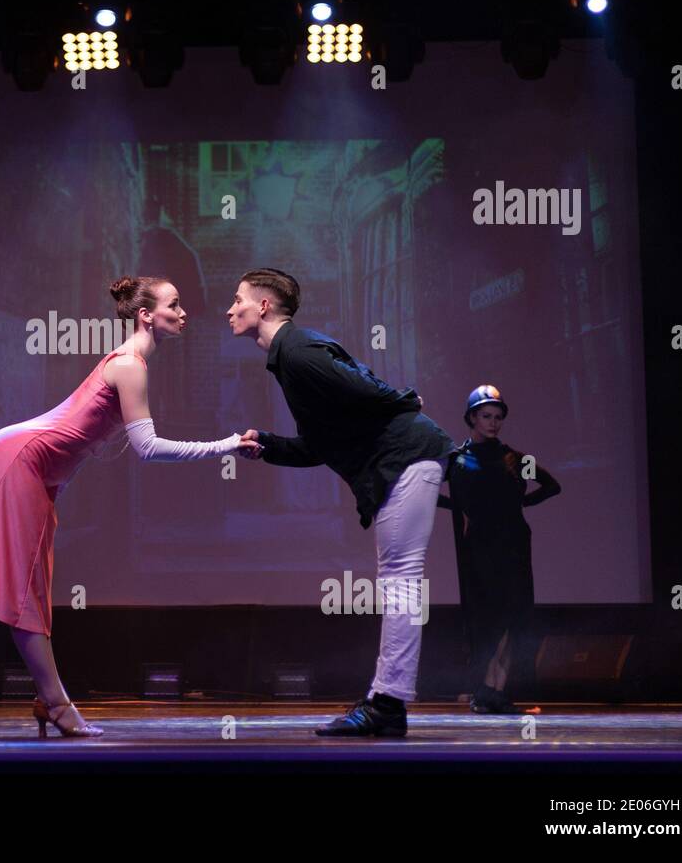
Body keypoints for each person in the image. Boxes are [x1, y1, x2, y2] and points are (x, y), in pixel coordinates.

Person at [0, 275, 259, 738]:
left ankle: (49, 699)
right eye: (173, 305)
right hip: (18, 461)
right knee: (25, 595)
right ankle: (58, 705)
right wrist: (228, 444)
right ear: (146, 315)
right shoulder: (130, 365)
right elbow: (149, 448)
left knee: (31, 591)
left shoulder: (129, 362)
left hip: (27, 464)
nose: (183, 314)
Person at [231, 268, 456, 737]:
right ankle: (384, 701)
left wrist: (404, 399)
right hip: (403, 461)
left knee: (401, 581)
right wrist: (267, 445)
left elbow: (360, 384)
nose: (231, 309)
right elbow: (319, 446)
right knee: (399, 579)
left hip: (405, 458)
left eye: (238, 300)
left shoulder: (296, 352)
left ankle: (387, 705)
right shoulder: (289, 359)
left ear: (264, 307)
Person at [440, 385, 561, 714]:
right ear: (472, 418)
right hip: (479, 548)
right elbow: (426, 489)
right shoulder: (457, 459)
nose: (493, 423)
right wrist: (459, 507)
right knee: (484, 619)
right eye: (486, 416)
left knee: (512, 616)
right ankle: (482, 689)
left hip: (513, 545)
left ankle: (498, 689)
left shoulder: (514, 459)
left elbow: (552, 486)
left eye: (497, 417)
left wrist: (521, 502)